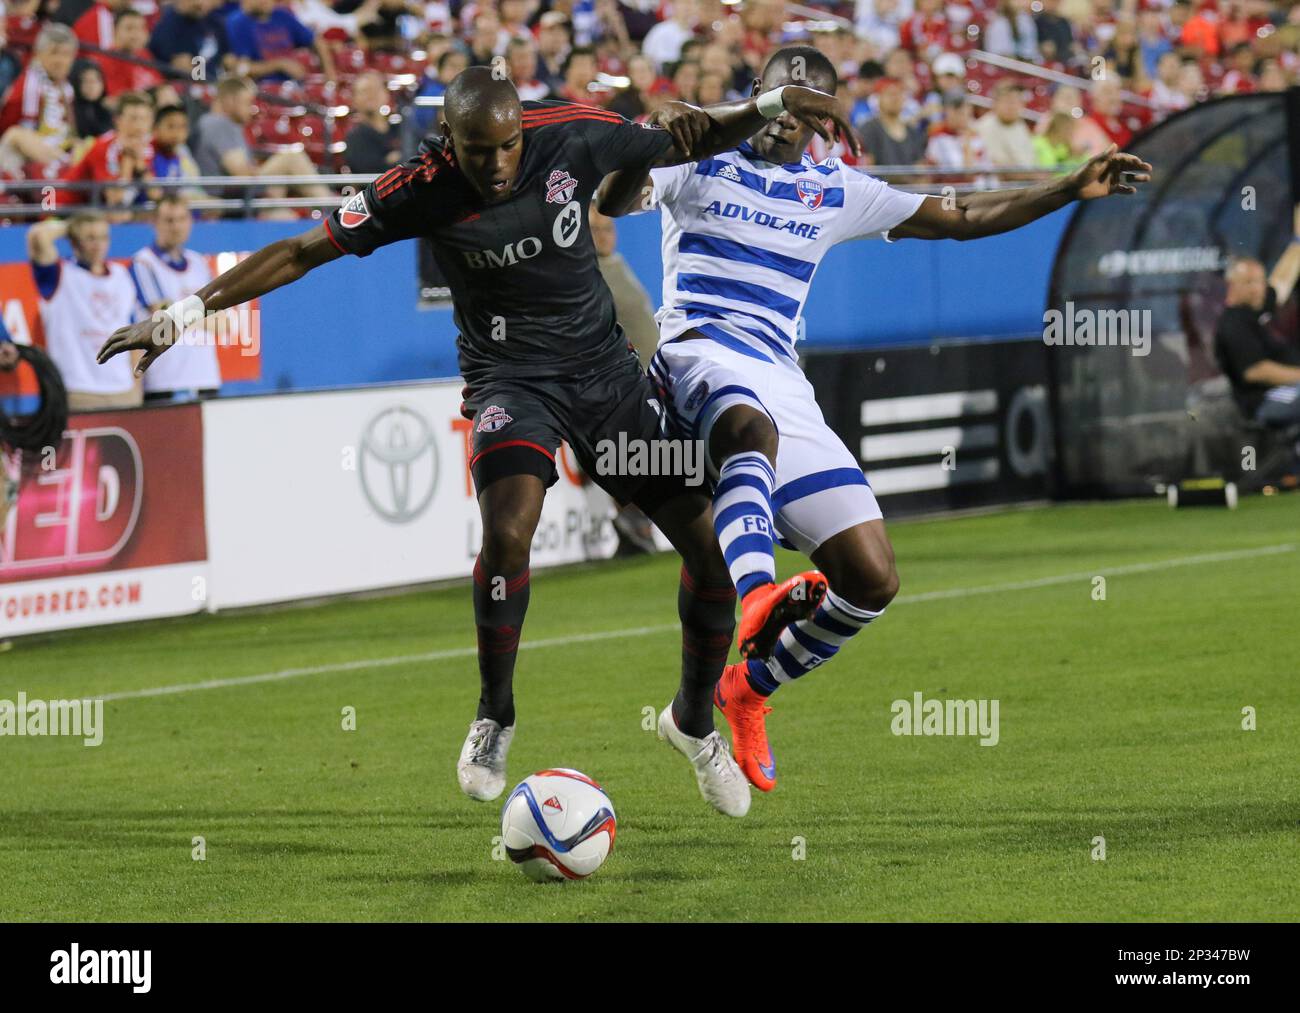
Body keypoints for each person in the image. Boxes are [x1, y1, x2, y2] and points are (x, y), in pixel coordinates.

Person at [98, 67, 859, 819]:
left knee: (708, 557)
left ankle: (693, 724)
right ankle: (496, 713)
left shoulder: (570, 137)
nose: (494, 165)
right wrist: (182, 313)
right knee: (507, 530)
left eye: (502, 147)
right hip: (511, 384)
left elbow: (681, 137)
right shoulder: (416, 188)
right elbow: (299, 252)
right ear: (447, 139)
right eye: (475, 150)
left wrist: (768, 103)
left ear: (519, 126)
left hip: (606, 384)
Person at [596, 45, 1150, 793]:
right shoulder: (700, 154)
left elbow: (958, 216)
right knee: (745, 429)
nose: (786, 118)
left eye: (806, 108)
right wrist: (653, 139)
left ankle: (747, 690)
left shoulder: (835, 189)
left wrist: (1067, 189)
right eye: (776, 98)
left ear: (823, 124)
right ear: (754, 95)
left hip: (780, 378)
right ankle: (756, 589)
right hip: (698, 352)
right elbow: (611, 196)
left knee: (871, 577)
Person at [30, 213, 142, 411]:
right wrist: (72, 225)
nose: (97, 244)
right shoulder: (59, 274)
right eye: (90, 238)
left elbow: (133, 334)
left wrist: (136, 383)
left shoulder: (121, 276)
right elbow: (38, 236)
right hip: (79, 390)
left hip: (122, 389)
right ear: (75, 241)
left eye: (102, 237)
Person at [130, 194, 221, 401]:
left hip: (207, 379)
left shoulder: (199, 263)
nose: (176, 226)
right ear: (155, 223)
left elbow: (223, 323)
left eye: (182, 219)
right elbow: (164, 317)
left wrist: (184, 316)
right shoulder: (144, 263)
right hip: (165, 383)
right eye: (169, 220)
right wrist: (205, 315)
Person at [1214, 213, 1300, 429]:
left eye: (1261, 281)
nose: (1259, 288)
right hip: (1265, 402)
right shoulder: (1233, 322)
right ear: (1232, 285)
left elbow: (1280, 283)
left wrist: (1298, 242)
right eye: (1250, 282)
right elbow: (1256, 371)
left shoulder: (1256, 306)